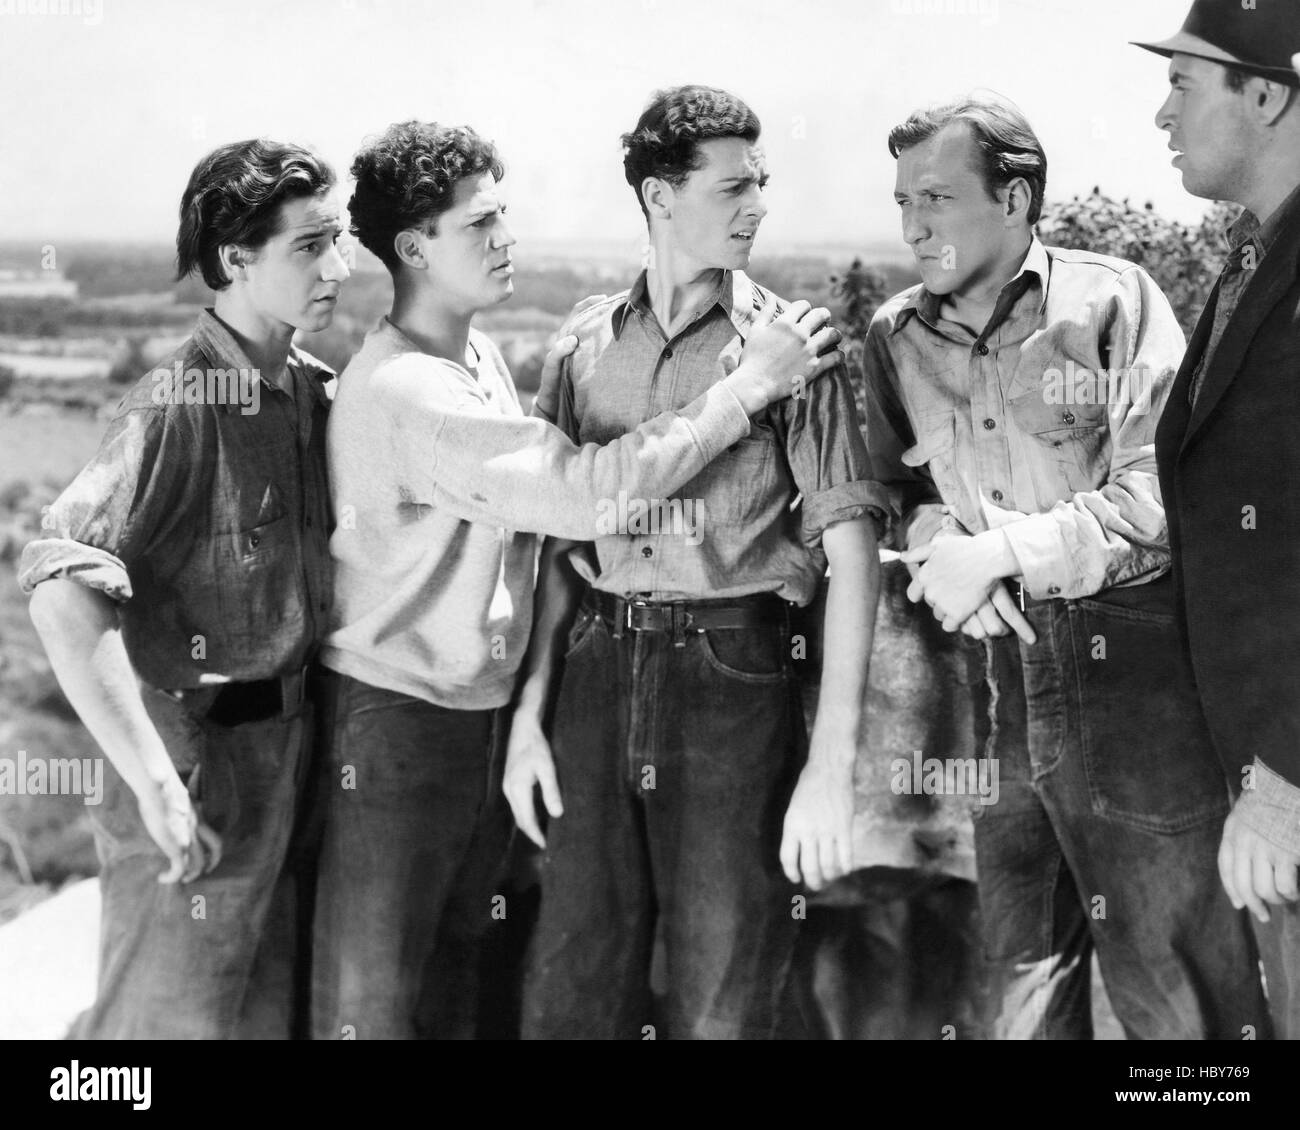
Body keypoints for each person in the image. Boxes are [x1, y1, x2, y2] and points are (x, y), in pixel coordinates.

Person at [311, 119, 844, 1039]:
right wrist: (743, 390)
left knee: (464, 980)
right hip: (399, 722)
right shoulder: (412, 389)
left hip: (493, 707)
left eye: (503, 215)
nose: (505, 237)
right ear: (414, 250)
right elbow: (585, 499)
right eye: (480, 224)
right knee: (376, 996)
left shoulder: (470, 357)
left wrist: (524, 711)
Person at [859, 95, 1268, 1038]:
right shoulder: (894, 338)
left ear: (1015, 199)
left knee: (1177, 977)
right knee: (1021, 972)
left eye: (937, 197)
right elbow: (894, 493)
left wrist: (997, 553)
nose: (913, 226)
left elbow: (1162, 502)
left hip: (1134, 681)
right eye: (900, 202)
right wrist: (937, 552)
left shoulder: (1113, 301)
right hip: (993, 685)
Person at [506, 85, 886, 1040]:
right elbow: (556, 541)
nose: (758, 204)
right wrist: (527, 718)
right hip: (594, 669)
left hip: (735, 675)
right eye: (733, 187)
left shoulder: (797, 349)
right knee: (571, 980)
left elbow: (854, 554)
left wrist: (830, 768)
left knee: (725, 987)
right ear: (658, 197)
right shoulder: (585, 343)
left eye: (762, 183)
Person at [19, 139, 349, 1038]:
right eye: (310, 246)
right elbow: (60, 583)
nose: (339, 267)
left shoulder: (311, 391)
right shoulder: (180, 403)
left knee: (256, 1020)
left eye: (340, 239)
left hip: (291, 753)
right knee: (163, 1031)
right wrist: (159, 786)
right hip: (193, 767)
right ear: (235, 260)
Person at [1135, 0, 1300, 1038]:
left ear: (1270, 94)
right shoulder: (1253, 259)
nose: (1160, 115)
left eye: (1183, 83)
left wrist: (1283, 773)